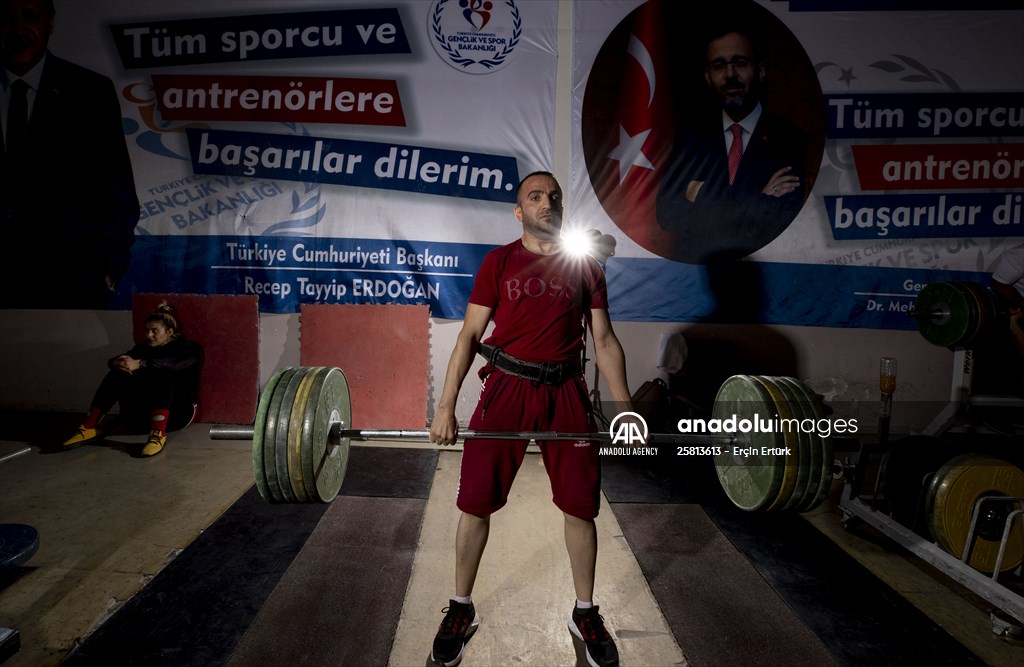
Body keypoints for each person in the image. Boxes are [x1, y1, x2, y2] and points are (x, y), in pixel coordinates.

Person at [428, 171, 636, 667]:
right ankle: (460, 607)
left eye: (555, 197)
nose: (548, 204)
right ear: (519, 211)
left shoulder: (586, 266)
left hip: (566, 390)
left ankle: (584, 611)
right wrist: (445, 404)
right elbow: (469, 336)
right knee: (475, 502)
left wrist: (626, 407)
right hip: (506, 388)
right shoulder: (498, 262)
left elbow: (603, 341)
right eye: (536, 197)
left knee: (581, 506)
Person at [1, 0, 140, 308]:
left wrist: (107, 274)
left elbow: (119, 196)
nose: (19, 29)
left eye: (31, 16)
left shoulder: (90, 92)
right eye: (7, 18)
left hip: (70, 290)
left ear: (50, 22)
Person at [656, 23, 808, 264]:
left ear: (760, 70)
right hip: (698, 278)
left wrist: (701, 193)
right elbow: (667, 214)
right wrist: (759, 198)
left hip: (764, 277)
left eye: (740, 62)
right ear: (708, 76)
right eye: (719, 65)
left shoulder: (789, 139)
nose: (729, 75)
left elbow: (781, 217)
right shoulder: (690, 139)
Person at [62, 302, 202, 457]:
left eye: (154, 331)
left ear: (169, 332)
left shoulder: (188, 348)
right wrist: (115, 362)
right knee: (118, 372)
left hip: (179, 415)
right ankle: (88, 427)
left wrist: (141, 363)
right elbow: (126, 357)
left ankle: (157, 435)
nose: (149, 335)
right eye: (146, 331)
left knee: (163, 375)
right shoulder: (144, 348)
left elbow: (173, 364)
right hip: (140, 417)